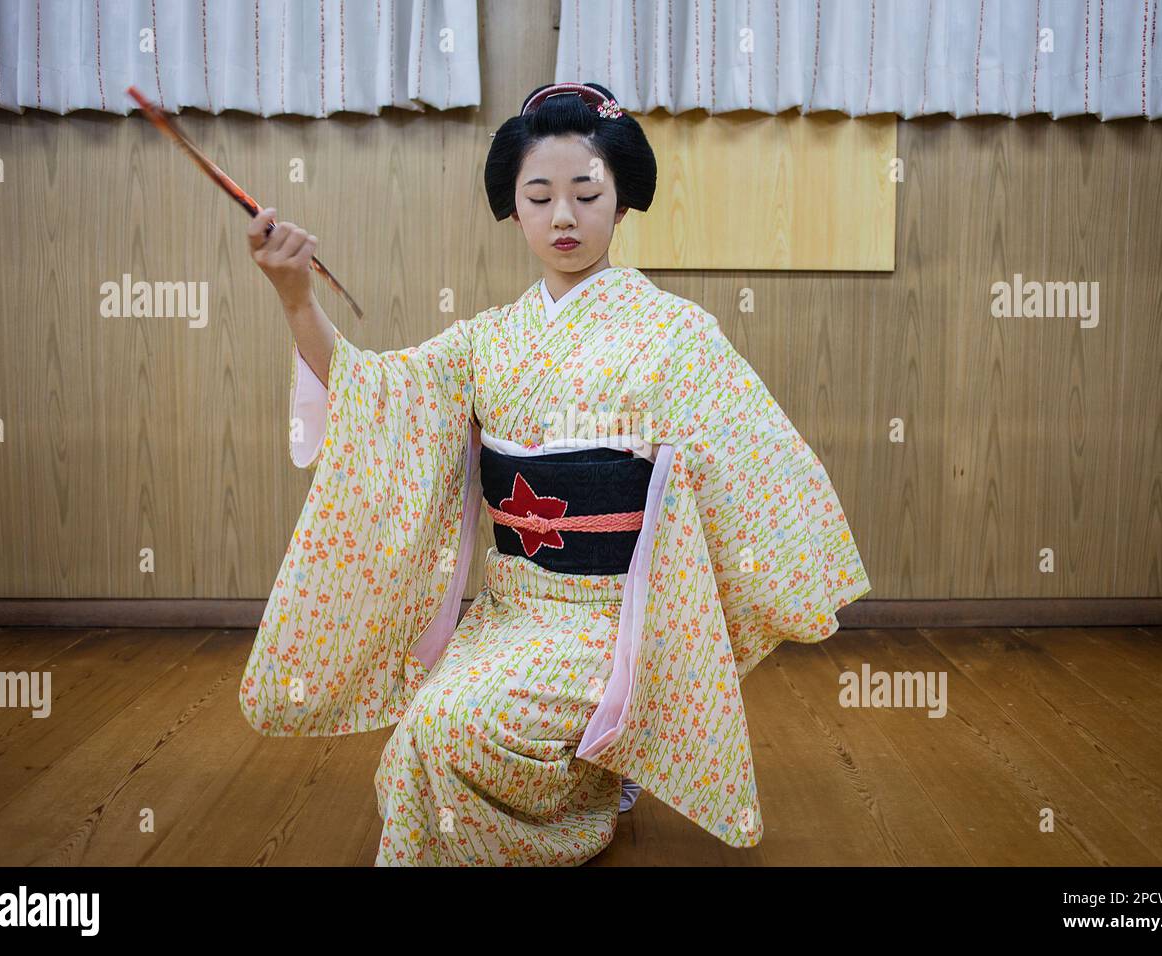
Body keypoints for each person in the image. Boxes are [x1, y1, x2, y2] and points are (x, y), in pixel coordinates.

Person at [239, 81, 871, 866]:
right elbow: (378, 395)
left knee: (451, 726)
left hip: (612, 621)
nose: (563, 217)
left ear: (622, 201)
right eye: (539, 196)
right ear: (513, 206)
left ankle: (593, 785)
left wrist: (785, 579)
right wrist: (294, 293)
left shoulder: (676, 337)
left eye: (586, 194)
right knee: (417, 750)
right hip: (512, 611)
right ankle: (590, 784)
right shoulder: (489, 341)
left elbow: (757, 462)